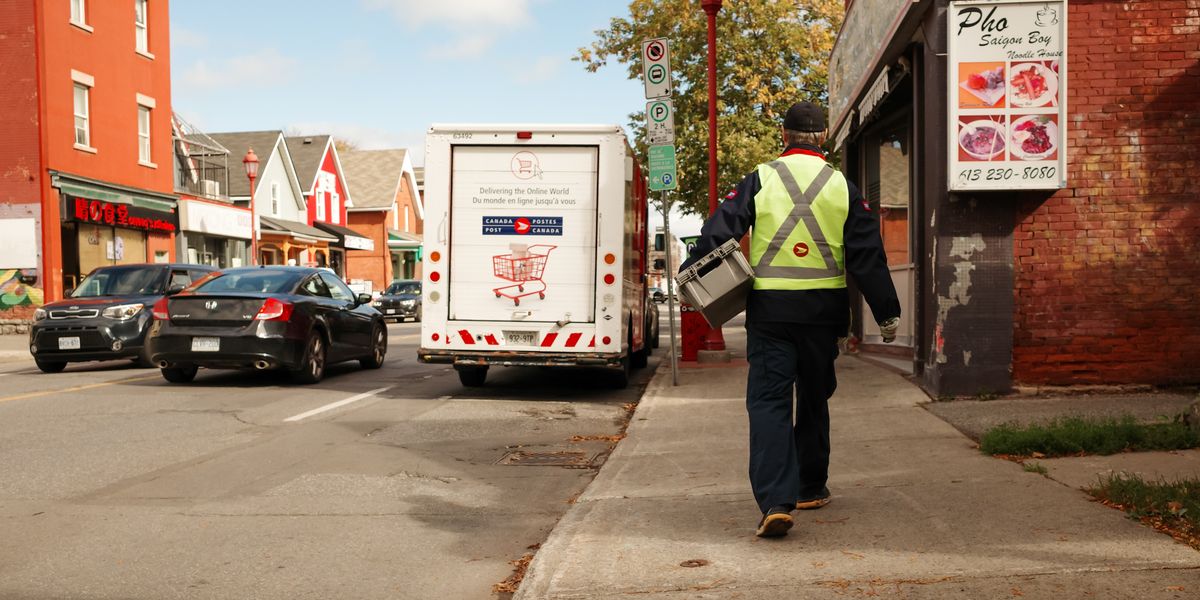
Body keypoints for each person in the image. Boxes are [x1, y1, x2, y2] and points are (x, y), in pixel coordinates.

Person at [679, 101, 901, 538]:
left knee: (769, 402)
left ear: (784, 135)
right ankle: (810, 487)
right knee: (814, 399)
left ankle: (776, 502)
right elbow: (866, 254)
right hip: (823, 314)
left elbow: (718, 231)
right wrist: (887, 311)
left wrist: (693, 274)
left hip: (772, 313)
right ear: (823, 139)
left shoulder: (761, 179)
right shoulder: (843, 186)